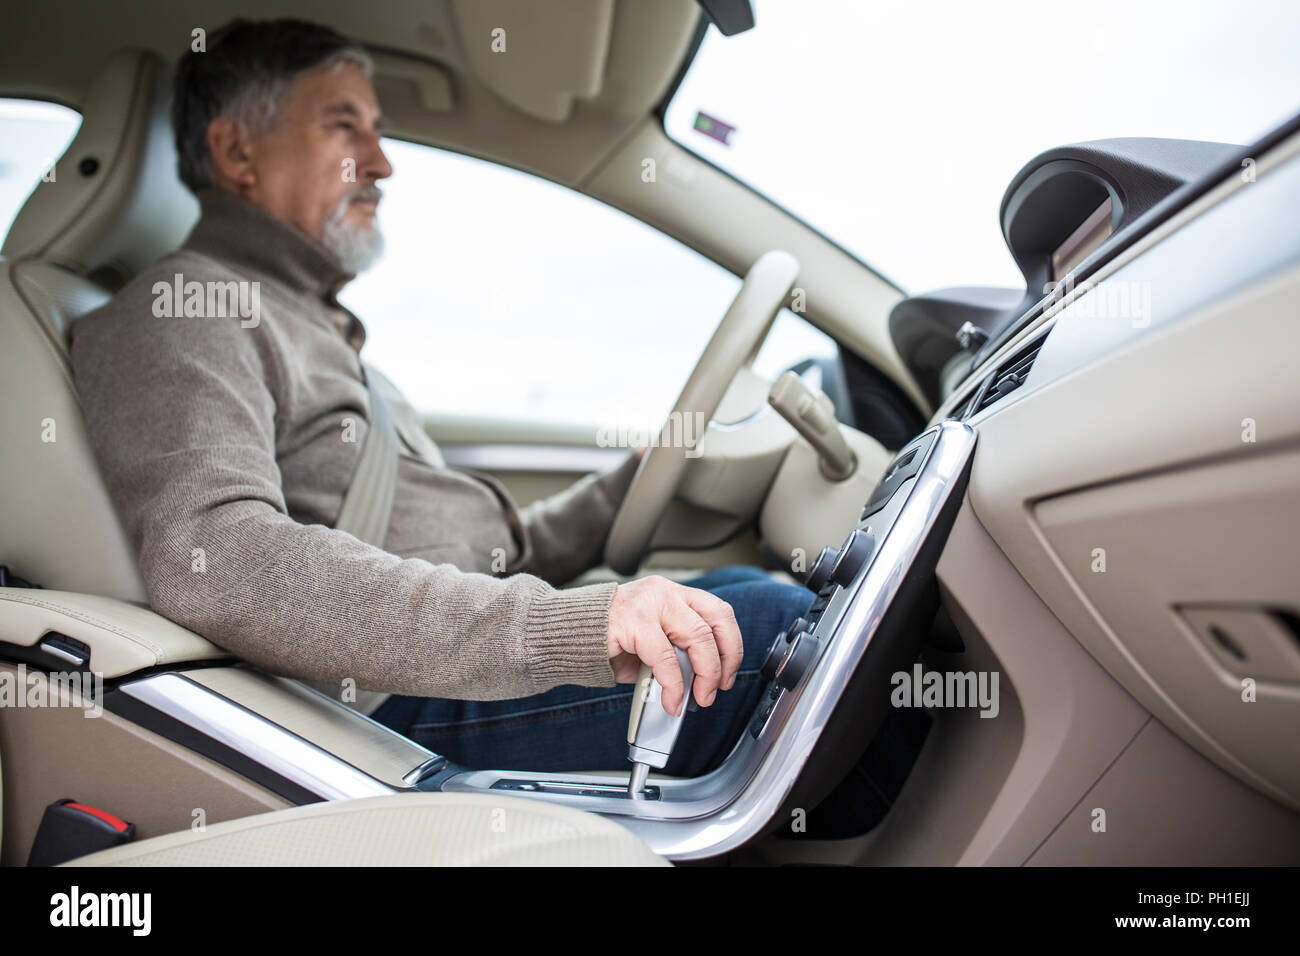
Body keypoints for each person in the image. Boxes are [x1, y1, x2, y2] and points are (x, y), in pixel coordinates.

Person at [70, 18, 813, 777]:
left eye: (379, 130)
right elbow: (214, 559)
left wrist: (647, 475)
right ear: (236, 152)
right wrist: (568, 627)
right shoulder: (184, 308)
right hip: (379, 713)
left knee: (746, 598)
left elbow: (493, 551)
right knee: (776, 634)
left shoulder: (313, 326)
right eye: (344, 126)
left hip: (448, 664)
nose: (383, 162)